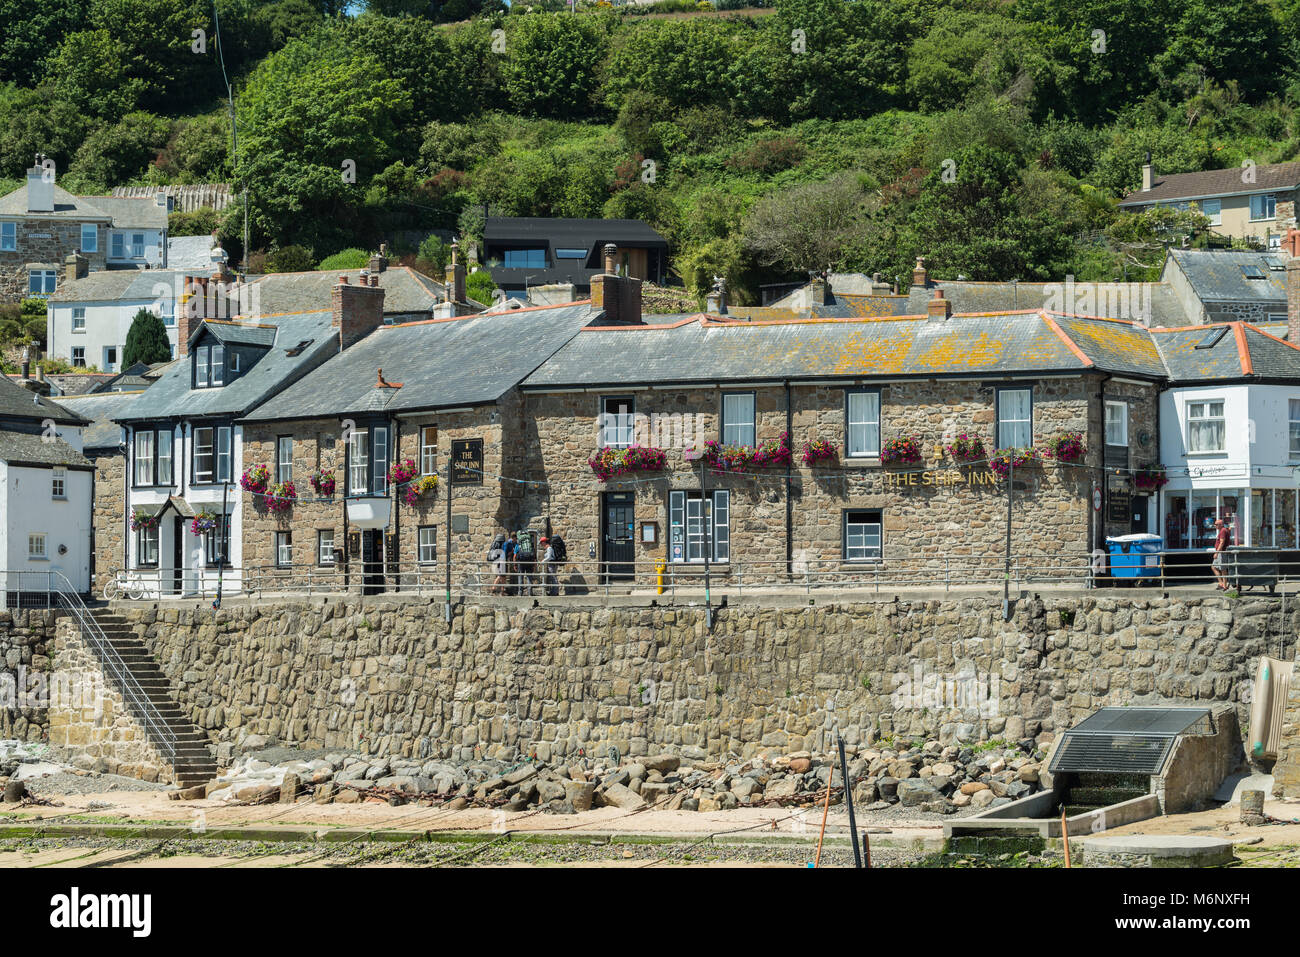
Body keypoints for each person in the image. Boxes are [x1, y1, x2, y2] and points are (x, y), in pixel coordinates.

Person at [1211, 517, 1232, 590]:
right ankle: (1221, 583)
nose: (1215, 526)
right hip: (1220, 552)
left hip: (1221, 552)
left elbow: (1222, 542)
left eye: (1216, 524)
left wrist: (1216, 553)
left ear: (1221, 525)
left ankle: (1225, 585)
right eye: (1215, 524)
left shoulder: (1223, 531)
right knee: (1214, 567)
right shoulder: (1223, 530)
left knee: (1223, 569)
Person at [504, 531, 519, 596]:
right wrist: (512, 552)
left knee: (513, 575)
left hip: (513, 560)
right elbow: (505, 553)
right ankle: (509, 589)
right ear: (513, 538)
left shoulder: (513, 543)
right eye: (515, 538)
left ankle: (513, 589)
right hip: (509, 560)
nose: (516, 540)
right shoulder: (508, 543)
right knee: (510, 575)